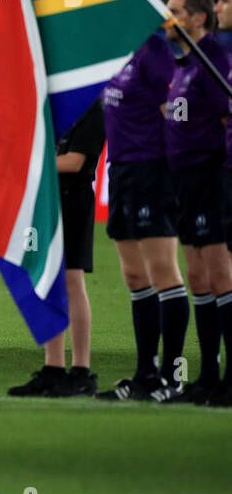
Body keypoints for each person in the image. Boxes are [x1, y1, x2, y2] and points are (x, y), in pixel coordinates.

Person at [96, 27, 183, 401]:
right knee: (134, 275)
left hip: (152, 169)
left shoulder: (155, 52)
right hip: (121, 169)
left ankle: (171, 376)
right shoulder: (114, 50)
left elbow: (173, 116)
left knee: (163, 271)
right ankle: (145, 373)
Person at [2, 99, 106, 396]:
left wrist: (27, 162)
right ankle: (53, 368)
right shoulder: (51, 104)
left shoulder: (90, 107)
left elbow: (76, 162)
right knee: (47, 279)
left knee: (72, 281)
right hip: (46, 198)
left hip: (72, 199)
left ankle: (82, 371)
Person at [158, 0, 230, 403]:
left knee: (220, 275)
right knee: (199, 278)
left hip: (208, 177)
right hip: (183, 180)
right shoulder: (184, 64)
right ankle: (207, 375)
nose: (168, 19)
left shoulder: (214, 59)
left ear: (199, 19)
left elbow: (225, 116)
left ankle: (227, 378)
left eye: (176, 12)